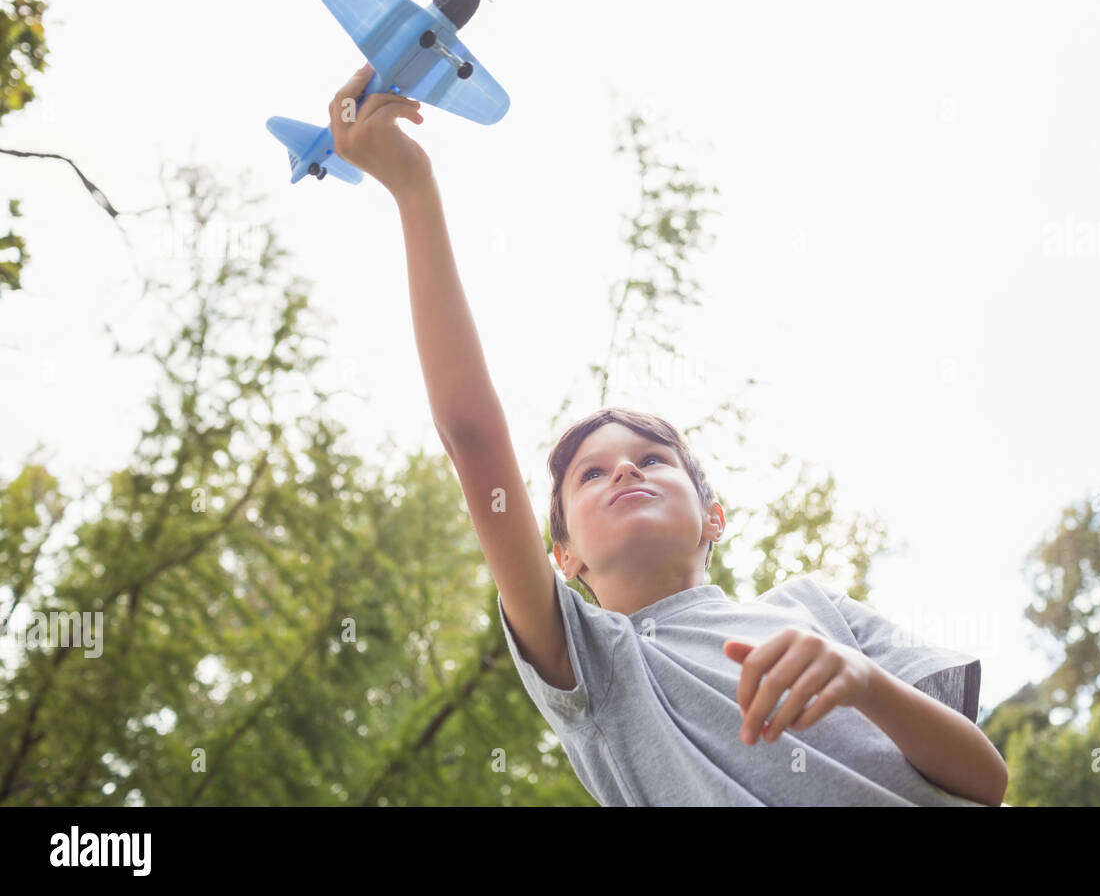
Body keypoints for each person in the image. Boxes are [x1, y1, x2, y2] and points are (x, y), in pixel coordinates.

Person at [326, 66, 1009, 806]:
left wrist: (865, 681)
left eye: (652, 459)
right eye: (589, 475)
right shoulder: (592, 660)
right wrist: (414, 188)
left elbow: (987, 780)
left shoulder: (817, 610)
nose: (623, 472)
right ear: (565, 558)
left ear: (713, 515)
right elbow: (473, 439)